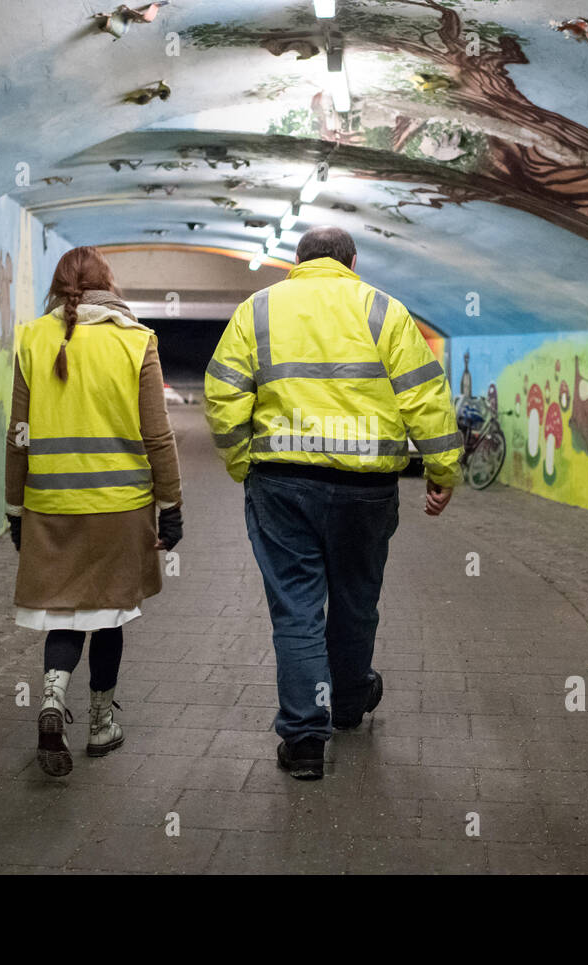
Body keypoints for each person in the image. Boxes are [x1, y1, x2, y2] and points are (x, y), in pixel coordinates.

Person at [204, 225, 462, 780]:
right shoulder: (385, 312)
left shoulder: (258, 310)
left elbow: (223, 391)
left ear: (296, 259)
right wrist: (443, 470)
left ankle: (303, 741)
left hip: (281, 483)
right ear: (352, 261)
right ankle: (346, 707)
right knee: (355, 600)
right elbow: (426, 395)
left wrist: (240, 461)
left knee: (296, 607)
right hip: (366, 490)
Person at [5, 246, 183, 778]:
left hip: (51, 505)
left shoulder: (32, 338)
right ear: (109, 284)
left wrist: (15, 508)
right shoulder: (135, 340)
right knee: (108, 615)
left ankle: (52, 700)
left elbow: (18, 438)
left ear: (57, 287)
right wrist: (171, 507)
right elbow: (158, 435)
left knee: (64, 611)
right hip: (118, 508)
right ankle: (101, 724)